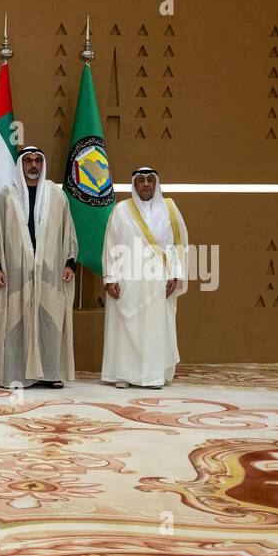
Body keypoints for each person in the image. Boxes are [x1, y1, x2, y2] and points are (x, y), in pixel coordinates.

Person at [0, 146, 78, 389]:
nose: (33, 165)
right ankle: (16, 374)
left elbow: (68, 233)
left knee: (50, 320)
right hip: (15, 274)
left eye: (37, 161)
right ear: (20, 165)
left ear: (42, 164)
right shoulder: (6, 196)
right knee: (14, 322)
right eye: (28, 161)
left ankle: (51, 373)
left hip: (51, 273)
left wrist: (69, 262)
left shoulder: (57, 196)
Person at [101, 166, 189, 389]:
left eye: (150, 180)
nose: (146, 184)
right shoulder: (121, 210)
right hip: (126, 279)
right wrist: (110, 277)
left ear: (156, 183)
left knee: (154, 327)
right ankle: (122, 374)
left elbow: (177, 245)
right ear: (134, 184)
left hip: (158, 279)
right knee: (125, 326)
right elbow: (110, 245)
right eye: (141, 180)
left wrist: (176, 274)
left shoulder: (169, 209)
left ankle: (152, 376)